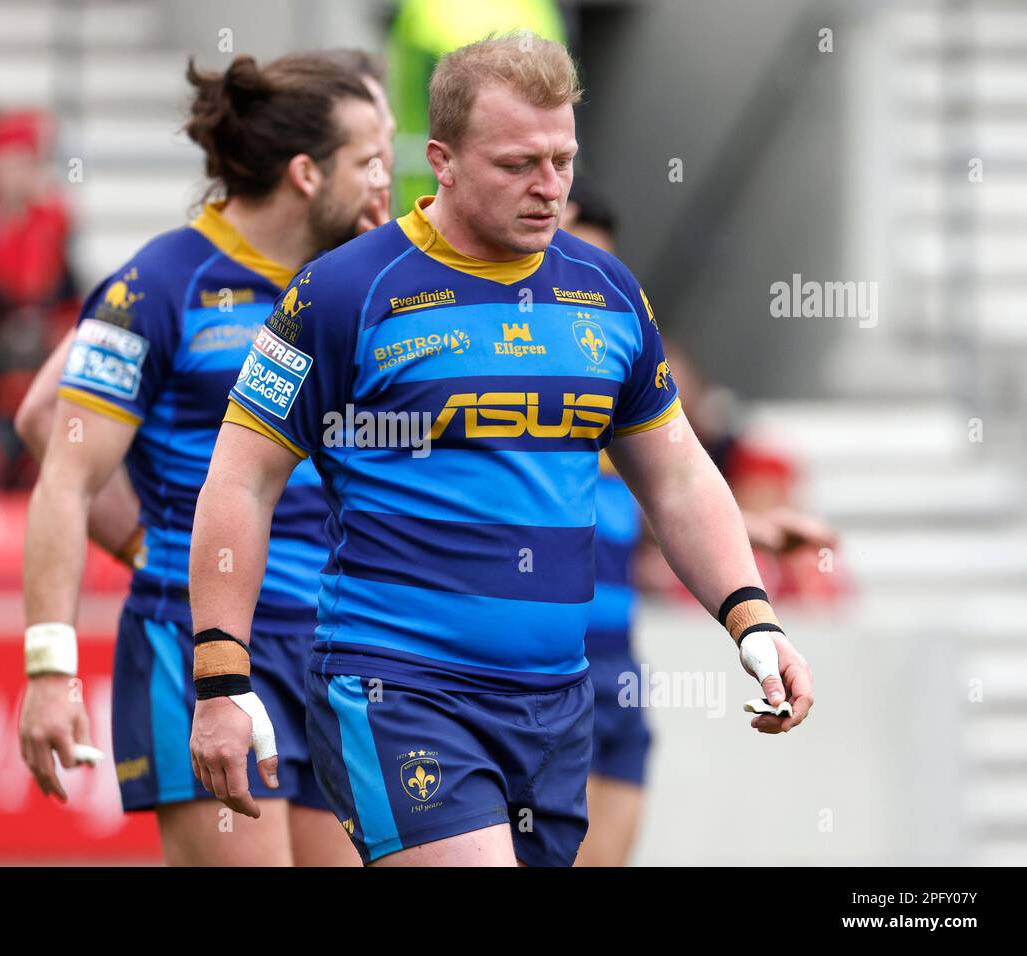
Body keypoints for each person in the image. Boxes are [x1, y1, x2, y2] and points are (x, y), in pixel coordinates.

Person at [187, 33, 814, 868]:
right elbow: (241, 480)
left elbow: (675, 475)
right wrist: (222, 677)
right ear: (441, 160)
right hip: (397, 689)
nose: (550, 188)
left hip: (557, 703)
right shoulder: (343, 292)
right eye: (519, 164)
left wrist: (751, 616)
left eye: (562, 160)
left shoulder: (607, 293)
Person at [17, 51, 392, 866]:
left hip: (339, 648)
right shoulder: (163, 282)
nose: (384, 184)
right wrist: (52, 667)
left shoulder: (358, 283)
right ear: (305, 174)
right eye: (369, 161)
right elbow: (60, 451)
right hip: (202, 646)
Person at [561, 183, 836, 867]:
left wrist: (751, 532)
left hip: (615, 670)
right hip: (532, 674)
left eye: (602, 270)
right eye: (570, 266)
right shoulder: (508, 392)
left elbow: (664, 493)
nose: (586, 291)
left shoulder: (614, 374)